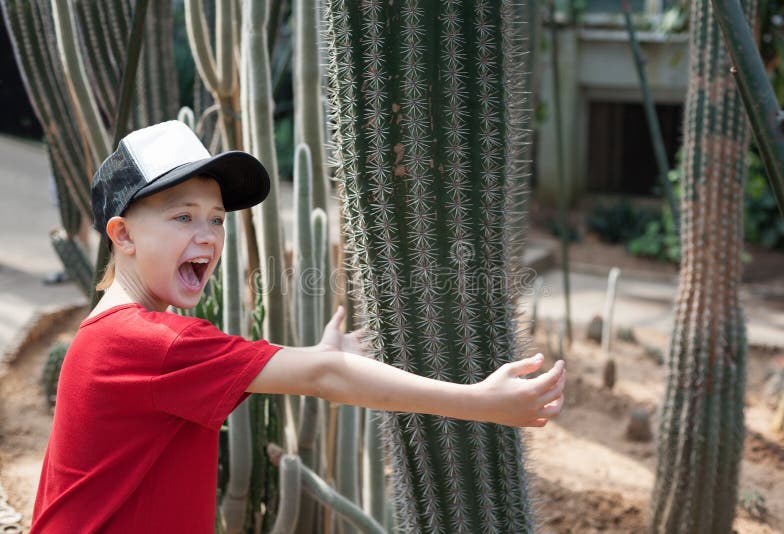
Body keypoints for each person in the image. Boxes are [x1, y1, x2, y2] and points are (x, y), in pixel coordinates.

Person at [30, 121, 566, 533]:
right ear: (122, 235)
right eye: (182, 217)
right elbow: (325, 377)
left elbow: (279, 369)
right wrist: (481, 402)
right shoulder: (152, 343)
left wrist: (310, 351)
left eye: (216, 218)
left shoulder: (113, 333)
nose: (209, 236)